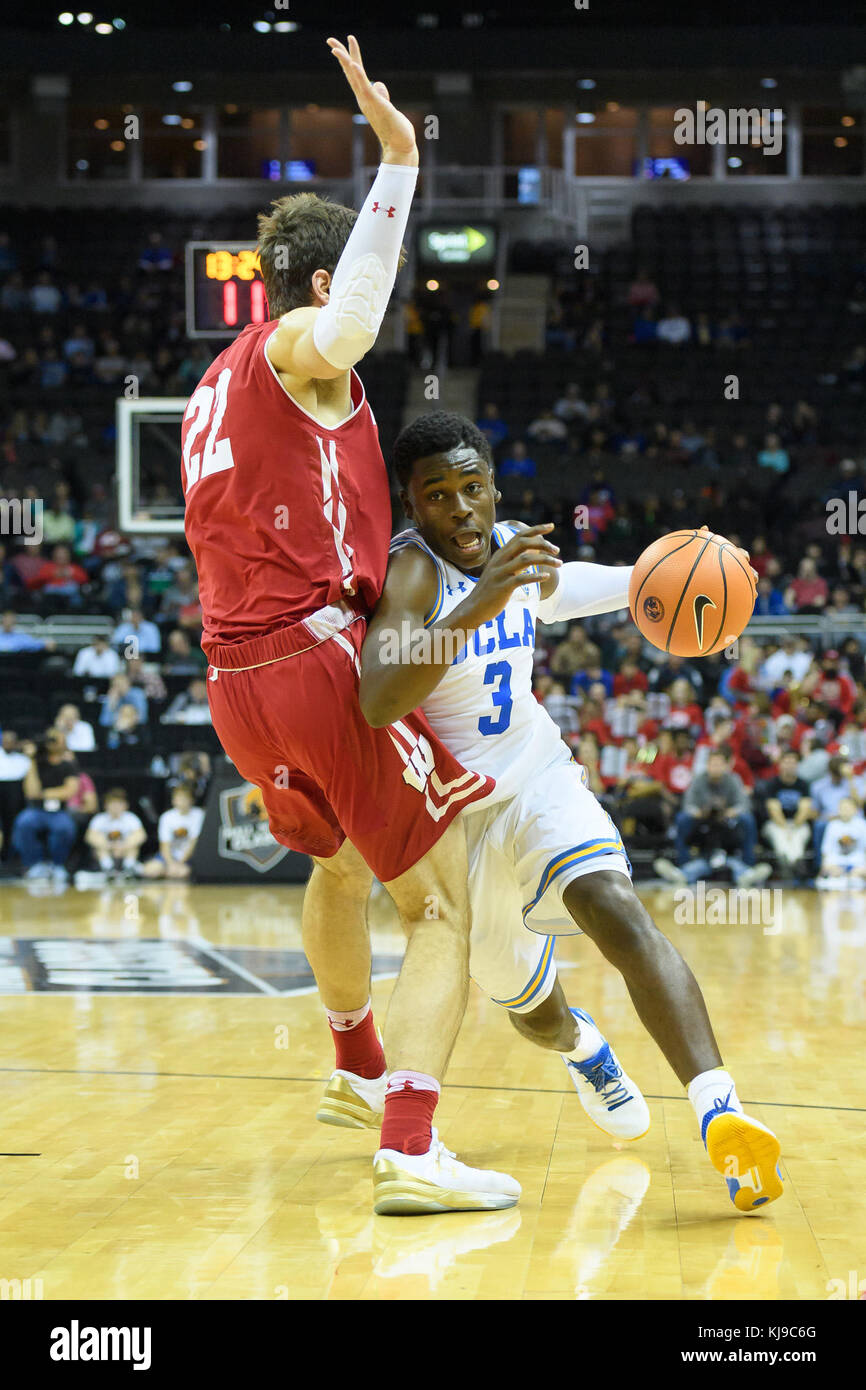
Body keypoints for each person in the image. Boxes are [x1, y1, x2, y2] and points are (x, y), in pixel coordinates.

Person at [181, 33, 516, 1217]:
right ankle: (412, 1143)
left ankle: (351, 1060)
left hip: (234, 677)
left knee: (334, 863)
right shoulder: (296, 353)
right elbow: (353, 325)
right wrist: (400, 157)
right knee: (439, 908)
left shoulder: (211, 382)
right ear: (321, 285)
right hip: (312, 655)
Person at [359, 409, 782, 1214]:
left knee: (615, 906)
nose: (460, 510)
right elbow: (379, 699)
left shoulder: (513, 545)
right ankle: (586, 1047)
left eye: (471, 488)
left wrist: (647, 581)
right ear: (413, 508)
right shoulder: (413, 575)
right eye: (437, 495)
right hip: (456, 823)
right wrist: (476, 606)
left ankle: (719, 1108)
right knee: (532, 1010)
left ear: (493, 488)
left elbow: (563, 589)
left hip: (540, 777)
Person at [656, 748, 770, 891]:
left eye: (719, 764)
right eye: (712, 764)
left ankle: (748, 868)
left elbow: (744, 804)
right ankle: (682, 868)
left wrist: (730, 812)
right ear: (707, 765)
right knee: (682, 819)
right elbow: (688, 804)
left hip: (728, 824)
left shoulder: (733, 779)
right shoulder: (698, 779)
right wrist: (700, 813)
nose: (715, 767)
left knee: (747, 819)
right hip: (703, 824)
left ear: (726, 766)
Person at [11, 728, 79, 883]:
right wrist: (32, 760)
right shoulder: (37, 763)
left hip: (58, 811)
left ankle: (58, 864)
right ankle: (35, 864)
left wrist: (44, 793)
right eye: (51, 739)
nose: (54, 742)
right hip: (37, 810)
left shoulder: (68, 765)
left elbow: (69, 791)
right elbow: (31, 792)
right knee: (23, 823)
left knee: (65, 828)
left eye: (58, 738)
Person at [759, 750, 814, 878]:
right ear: (780, 764)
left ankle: (792, 866)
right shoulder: (772, 784)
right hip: (776, 823)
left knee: (798, 838)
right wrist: (786, 829)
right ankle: (791, 867)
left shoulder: (803, 784)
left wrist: (793, 828)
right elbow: (774, 810)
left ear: (797, 765)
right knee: (780, 838)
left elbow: (805, 809)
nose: (790, 765)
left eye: (793, 763)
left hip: (798, 823)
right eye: (787, 762)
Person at [140, 784, 205, 880]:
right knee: (149, 871)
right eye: (178, 798)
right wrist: (171, 864)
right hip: (169, 856)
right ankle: (167, 871)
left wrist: (179, 863)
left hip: (189, 857)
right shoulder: (167, 817)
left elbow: (193, 843)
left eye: (185, 798)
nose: (182, 802)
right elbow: (164, 845)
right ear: (173, 800)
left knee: (182, 872)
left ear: (191, 800)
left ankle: (169, 872)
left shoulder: (199, 815)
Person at [85, 788, 147, 880]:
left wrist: (124, 846)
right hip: (106, 851)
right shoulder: (99, 819)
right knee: (99, 838)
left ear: (125, 805)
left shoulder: (131, 818)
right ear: (106, 805)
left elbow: (141, 836)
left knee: (133, 840)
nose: (115, 807)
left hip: (125, 850)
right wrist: (107, 845)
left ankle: (129, 869)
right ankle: (108, 869)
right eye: (112, 803)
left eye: (119, 803)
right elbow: (89, 837)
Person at [816, 797, 866, 890]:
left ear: (855, 809)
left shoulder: (862, 825)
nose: (845, 811)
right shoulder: (832, 825)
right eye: (842, 808)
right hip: (836, 863)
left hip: (857, 864)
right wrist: (826, 868)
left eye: (848, 808)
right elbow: (826, 851)